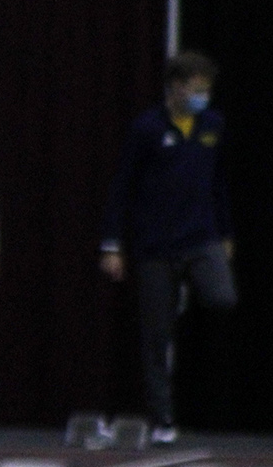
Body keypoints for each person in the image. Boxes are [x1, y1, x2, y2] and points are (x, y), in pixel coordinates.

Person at [99, 50, 235, 445]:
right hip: (156, 246)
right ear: (175, 88)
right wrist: (112, 244)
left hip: (201, 237)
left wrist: (226, 234)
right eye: (195, 90)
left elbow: (218, 181)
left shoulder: (212, 124)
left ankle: (189, 287)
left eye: (206, 90)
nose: (201, 96)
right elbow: (122, 187)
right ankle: (163, 418)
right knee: (157, 336)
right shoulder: (147, 128)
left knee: (222, 297)